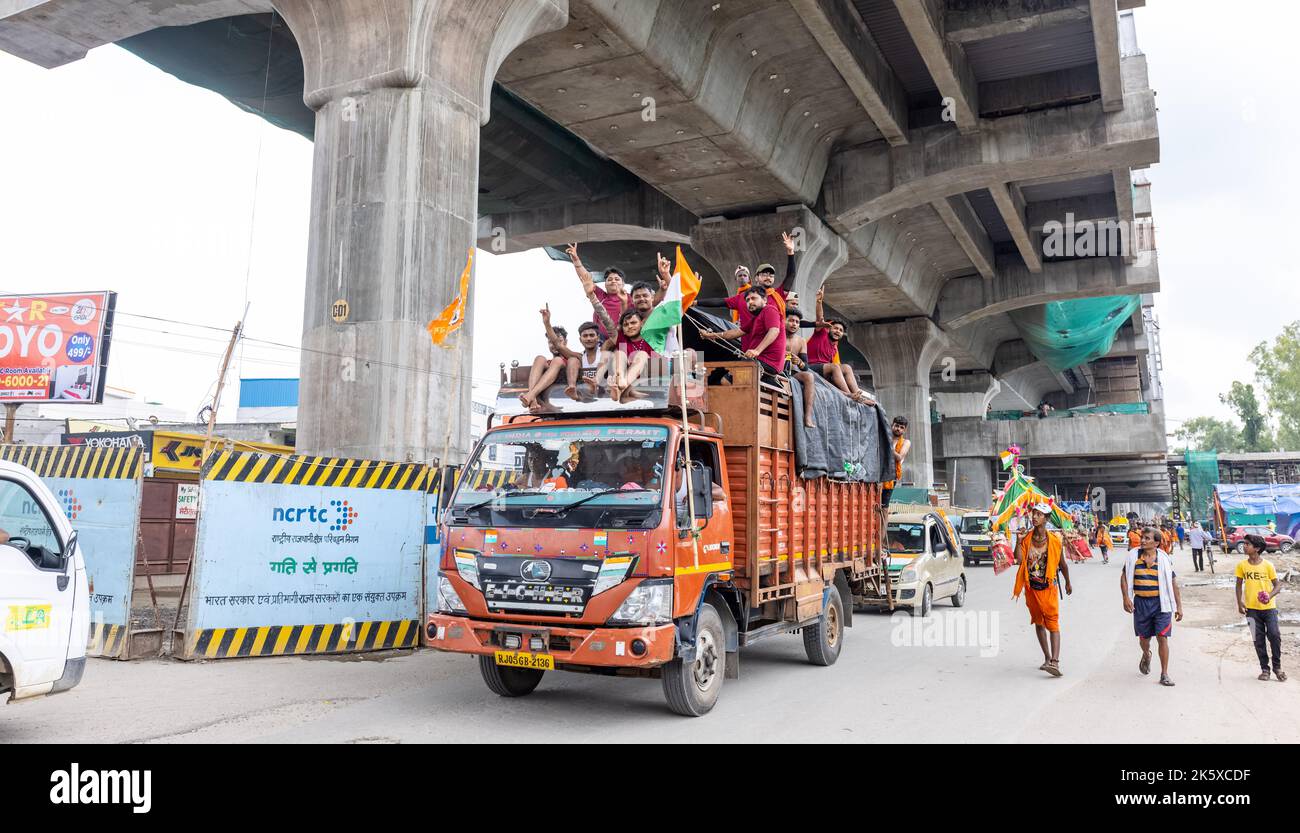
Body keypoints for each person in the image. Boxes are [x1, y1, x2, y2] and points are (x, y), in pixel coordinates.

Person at [1013, 503, 1073, 677]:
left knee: (1053, 623)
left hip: (1049, 587)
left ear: (1046, 519)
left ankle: (1055, 661)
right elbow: (1018, 560)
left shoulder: (1054, 541)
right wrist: (1018, 542)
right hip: (1031, 588)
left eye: (1039, 515)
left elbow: (1062, 564)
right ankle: (1047, 658)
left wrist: (1068, 582)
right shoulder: (1026, 538)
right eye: (1034, 514)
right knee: (1038, 622)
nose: (1035, 517)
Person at [1120, 527, 1183, 687]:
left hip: (1162, 604)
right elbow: (1124, 577)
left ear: (1156, 542)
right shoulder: (1133, 556)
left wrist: (1178, 606)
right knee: (1144, 639)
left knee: (1162, 638)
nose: (1142, 541)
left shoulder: (1164, 559)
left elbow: (1173, 582)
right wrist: (1126, 597)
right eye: (1142, 537)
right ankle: (1146, 654)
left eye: (1147, 538)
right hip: (1141, 604)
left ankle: (1164, 674)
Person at [805, 287, 872, 404]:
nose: (838, 331)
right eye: (835, 328)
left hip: (824, 371)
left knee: (846, 367)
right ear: (829, 329)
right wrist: (819, 302)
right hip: (810, 367)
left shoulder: (834, 348)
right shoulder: (821, 334)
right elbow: (819, 318)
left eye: (841, 330)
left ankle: (857, 394)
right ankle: (851, 396)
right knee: (835, 367)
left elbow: (839, 370)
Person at [1235, 534, 1287, 682]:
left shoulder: (1268, 565)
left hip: (1269, 609)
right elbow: (1238, 585)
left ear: (1256, 548)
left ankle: (1277, 667)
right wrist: (1239, 603)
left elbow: (1278, 585)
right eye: (1244, 543)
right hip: (1251, 610)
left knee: (1274, 635)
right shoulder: (1242, 566)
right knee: (1258, 640)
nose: (1244, 546)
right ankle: (1265, 669)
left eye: (1247, 544)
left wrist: (1269, 596)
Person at [566, 242, 628, 339]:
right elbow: (586, 279)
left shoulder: (631, 297)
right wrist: (576, 260)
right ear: (605, 284)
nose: (613, 282)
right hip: (600, 341)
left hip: (622, 339)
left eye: (617, 279)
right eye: (609, 279)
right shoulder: (600, 295)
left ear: (623, 283)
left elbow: (651, 303)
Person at [600, 309, 658, 403]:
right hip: (625, 376)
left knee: (642, 354)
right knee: (618, 353)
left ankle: (619, 389)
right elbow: (605, 320)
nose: (630, 326)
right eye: (626, 325)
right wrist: (592, 297)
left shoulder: (651, 337)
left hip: (650, 375)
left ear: (642, 323)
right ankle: (620, 381)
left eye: (633, 323)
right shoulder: (621, 339)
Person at [519, 310, 572, 410]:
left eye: (558, 341)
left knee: (557, 360)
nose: (555, 345)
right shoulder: (547, 362)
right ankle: (533, 399)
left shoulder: (571, 358)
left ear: (566, 342)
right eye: (551, 342)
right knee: (539, 358)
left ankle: (530, 395)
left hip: (564, 368)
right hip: (550, 367)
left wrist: (547, 323)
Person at [880, 417, 910, 510]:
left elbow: (899, 457)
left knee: (884, 507)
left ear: (904, 430)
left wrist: (887, 445)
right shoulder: (884, 438)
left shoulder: (906, 442)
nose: (898, 429)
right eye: (896, 426)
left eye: (901, 427)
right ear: (892, 425)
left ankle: (883, 525)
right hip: (878, 474)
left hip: (891, 477)